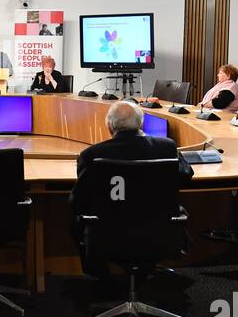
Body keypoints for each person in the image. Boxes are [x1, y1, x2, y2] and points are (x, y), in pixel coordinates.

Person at [69, 100, 192, 279]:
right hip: (156, 232)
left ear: (109, 126)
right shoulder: (167, 147)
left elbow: (77, 202)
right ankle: (145, 269)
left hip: (108, 234)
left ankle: (101, 274)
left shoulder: (91, 155)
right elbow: (185, 175)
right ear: (141, 124)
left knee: (73, 215)